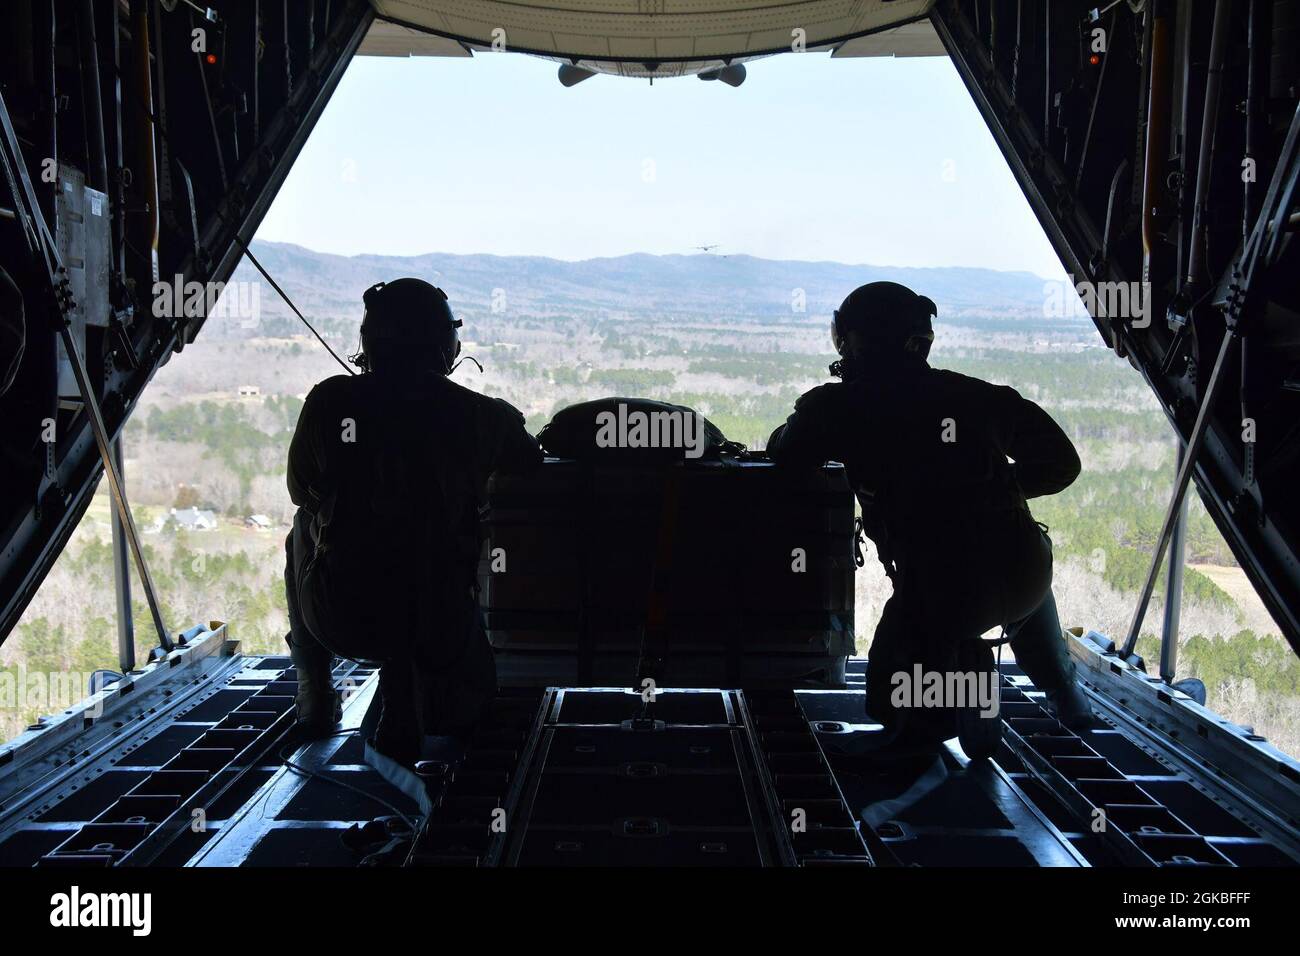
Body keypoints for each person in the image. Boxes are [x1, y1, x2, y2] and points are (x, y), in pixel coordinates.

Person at [767, 281, 1092, 746]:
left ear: (853, 340)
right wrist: (999, 492)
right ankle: (1061, 689)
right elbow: (1064, 462)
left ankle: (960, 688)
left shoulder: (839, 408)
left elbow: (786, 451)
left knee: (887, 699)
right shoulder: (974, 396)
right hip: (1024, 577)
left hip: (942, 594)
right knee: (1013, 550)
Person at [283, 278, 541, 763]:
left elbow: (301, 491)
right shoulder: (481, 415)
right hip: (440, 624)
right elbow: (529, 462)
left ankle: (314, 694)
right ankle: (421, 688)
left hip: (341, 617)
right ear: (445, 344)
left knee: (301, 530)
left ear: (371, 342)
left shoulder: (331, 402)